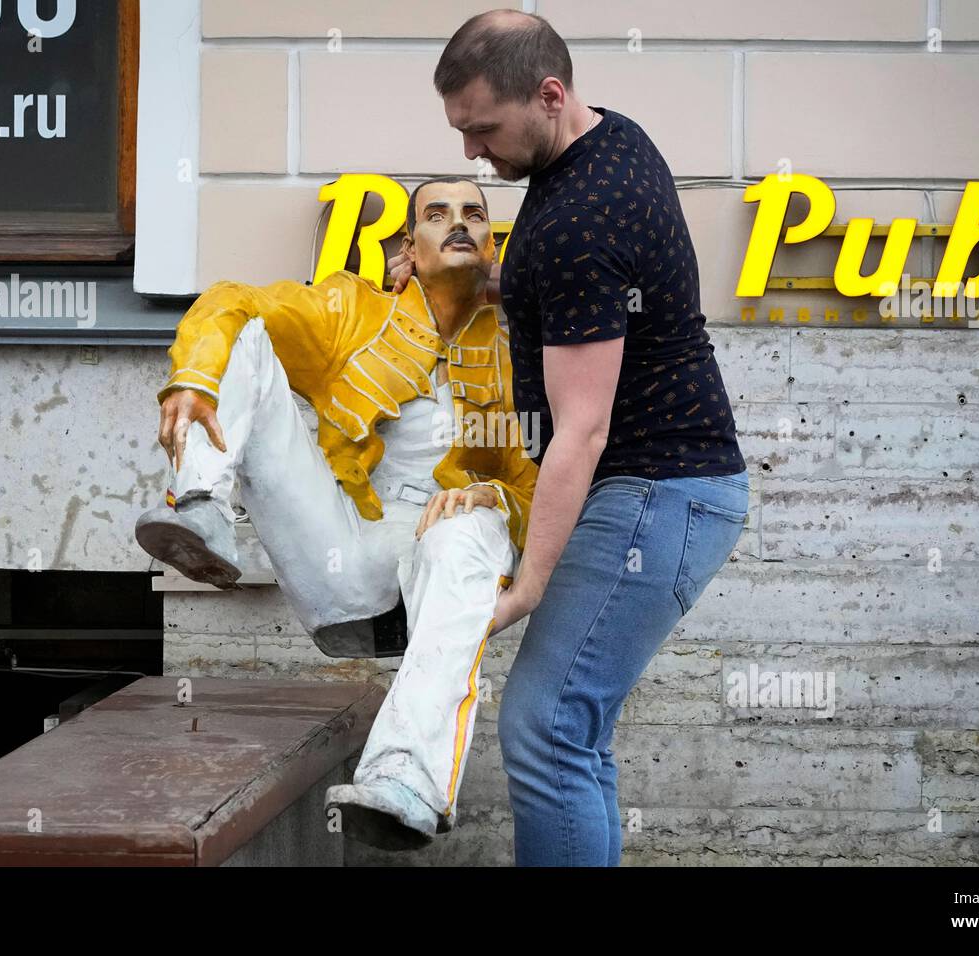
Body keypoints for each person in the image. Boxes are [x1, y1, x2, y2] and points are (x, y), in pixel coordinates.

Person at [390, 10, 749, 866]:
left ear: (549, 95)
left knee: (546, 726)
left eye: (483, 128)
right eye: (461, 130)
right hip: (672, 489)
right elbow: (576, 292)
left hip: (654, 493)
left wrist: (527, 585)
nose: (474, 151)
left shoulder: (578, 222)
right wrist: (482, 278)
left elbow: (581, 431)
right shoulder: (614, 140)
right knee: (573, 734)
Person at [134, 177, 537, 850]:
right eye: (438, 215)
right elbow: (234, 302)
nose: (458, 224)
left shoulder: (515, 357)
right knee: (249, 330)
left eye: (474, 214)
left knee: (467, 530)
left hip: (441, 564)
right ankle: (202, 504)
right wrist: (195, 377)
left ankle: (404, 778)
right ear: (409, 247)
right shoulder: (352, 313)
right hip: (346, 556)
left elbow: (537, 484)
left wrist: (490, 495)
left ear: (493, 246)